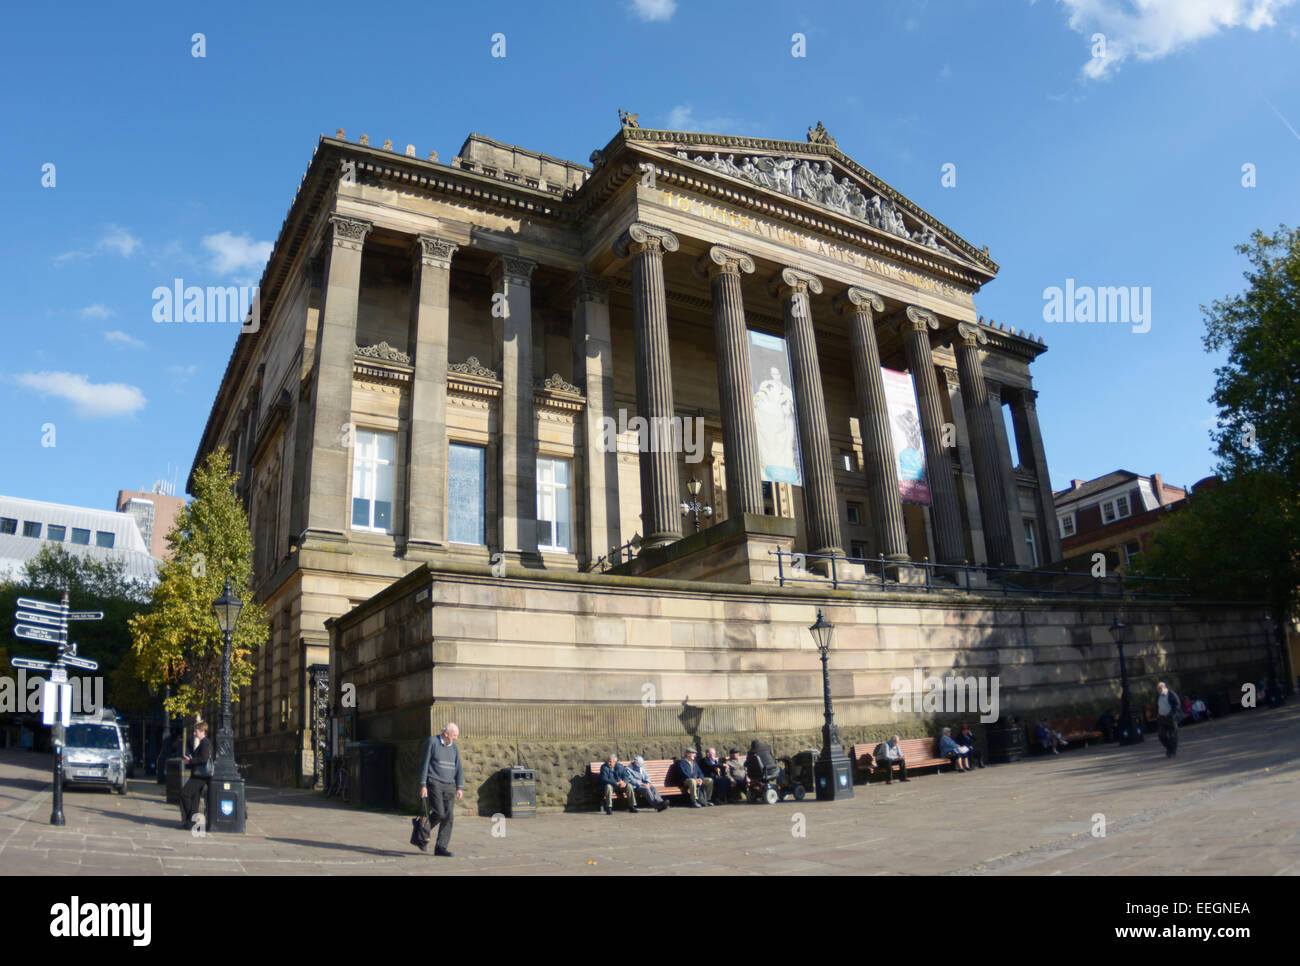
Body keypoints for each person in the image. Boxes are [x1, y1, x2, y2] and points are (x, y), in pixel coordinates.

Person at [417, 722, 464, 856]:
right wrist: (423, 785)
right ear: (446, 734)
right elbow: (425, 763)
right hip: (434, 782)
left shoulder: (454, 746)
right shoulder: (432, 742)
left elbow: (458, 767)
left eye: (457, 735)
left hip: (449, 784)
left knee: (449, 816)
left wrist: (459, 787)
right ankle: (421, 834)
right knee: (439, 813)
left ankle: (441, 847)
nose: (456, 738)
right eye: (454, 735)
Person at [179, 722, 211, 830]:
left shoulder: (205, 743)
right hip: (199, 774)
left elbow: (203, 758)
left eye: (196, 731)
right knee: (195, 799)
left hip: (200, 776)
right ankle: (191, 823)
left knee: (184, 794)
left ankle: (190, 819)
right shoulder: (203, 742)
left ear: (203, 731)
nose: (194, 733)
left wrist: (191, 761)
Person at [1155, 682, 1180, 758]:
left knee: (1173, 735)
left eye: (1160, 688)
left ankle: (1172, 751)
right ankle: (1169, 748)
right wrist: (1158, 714)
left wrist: (1171, 714)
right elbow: (1158, 705)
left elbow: (1177, 705)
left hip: (1171, 718)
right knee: (1161, 735)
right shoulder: (1158, 696)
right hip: (1162, 718)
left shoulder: (1171, 694)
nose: (1159, 690)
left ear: (1164, 687)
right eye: (1157, 689)